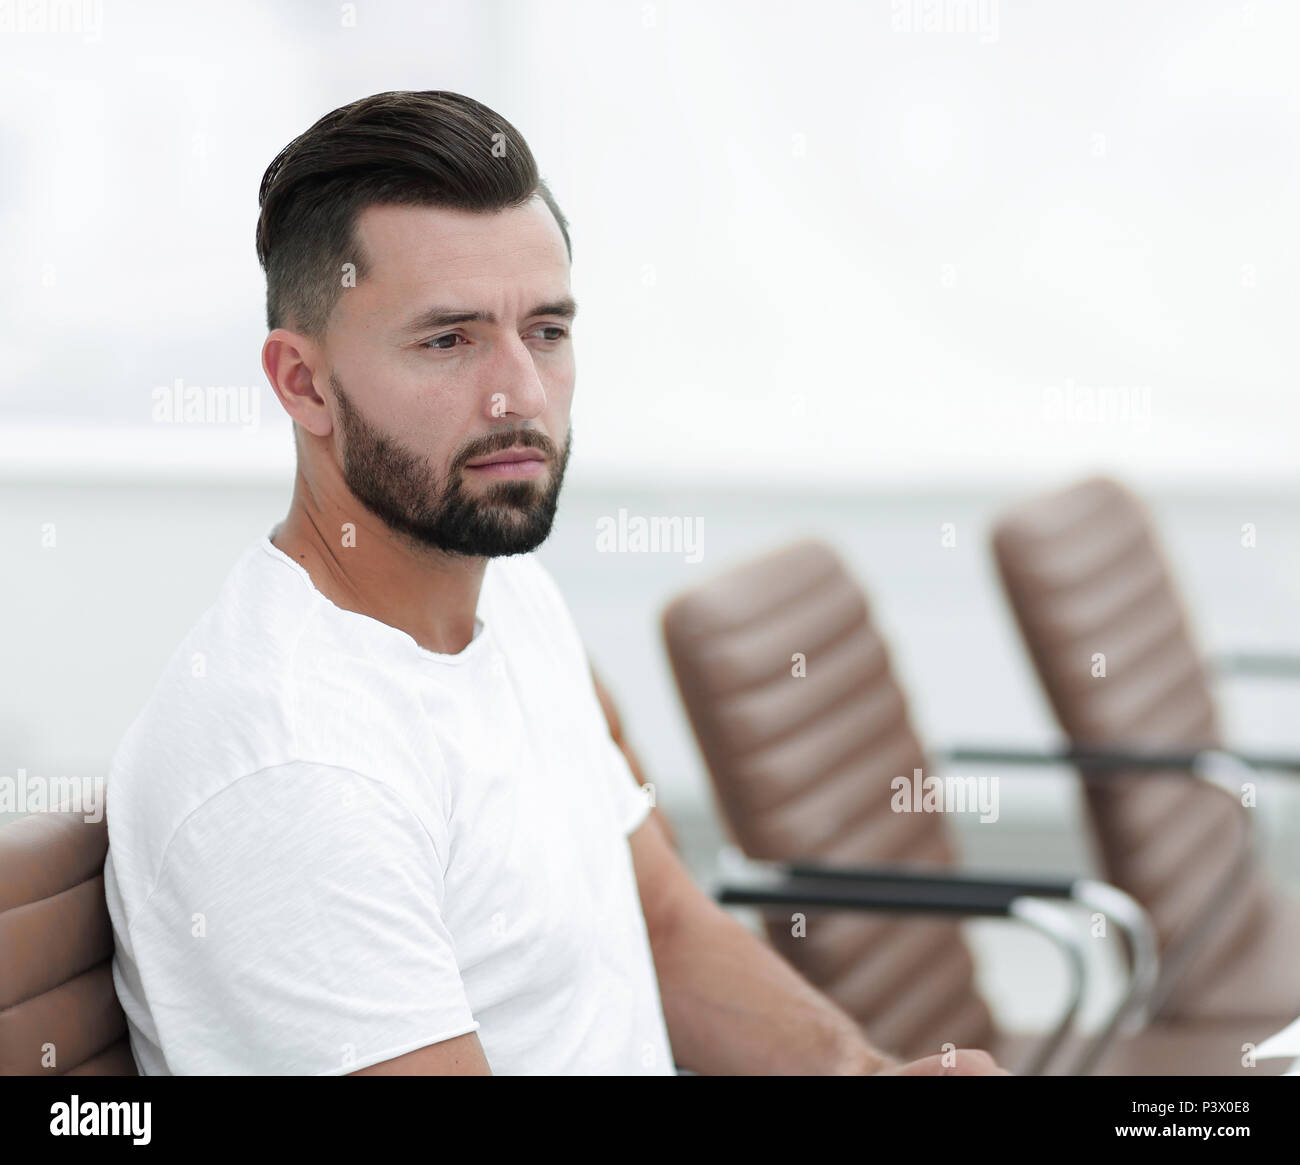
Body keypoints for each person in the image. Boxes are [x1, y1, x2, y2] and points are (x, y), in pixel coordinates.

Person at [104, 89, 1009, 1077]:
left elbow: (659, 925)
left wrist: (866, 1076)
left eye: (544, 331)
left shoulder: (507, 599)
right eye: (448, 340)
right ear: (303, 384)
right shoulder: (293, 767)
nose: (520, 396)